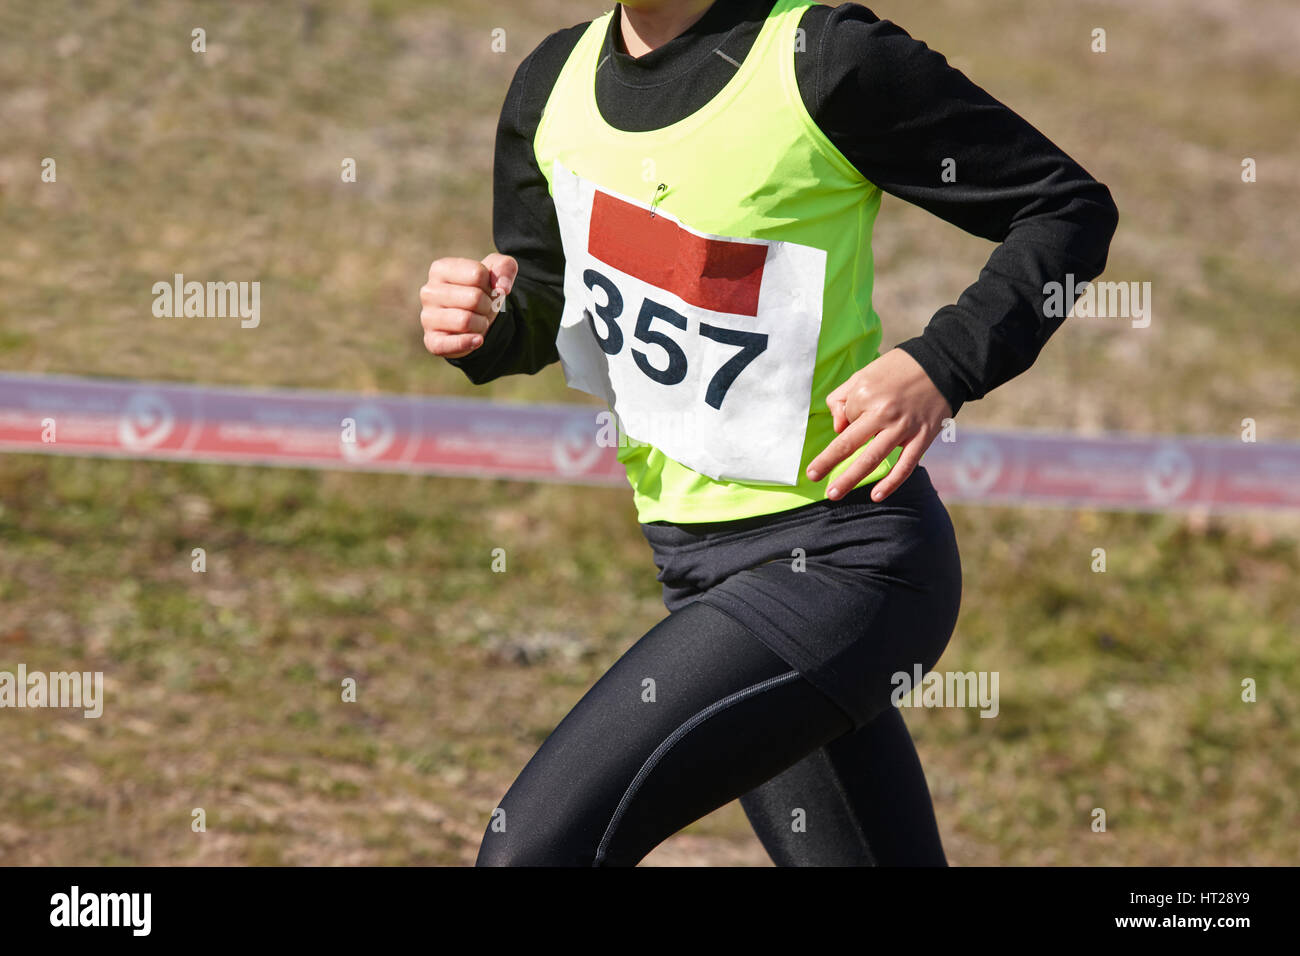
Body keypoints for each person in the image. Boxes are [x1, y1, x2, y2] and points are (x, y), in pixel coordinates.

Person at [419, 0, 1117, 866]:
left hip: (844, 562)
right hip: (696, 571)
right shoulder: (550, 85)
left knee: (529, 853)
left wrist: (944, 364)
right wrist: (482, 324)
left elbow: (1065, 209)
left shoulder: (826, 60)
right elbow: (545, 302)